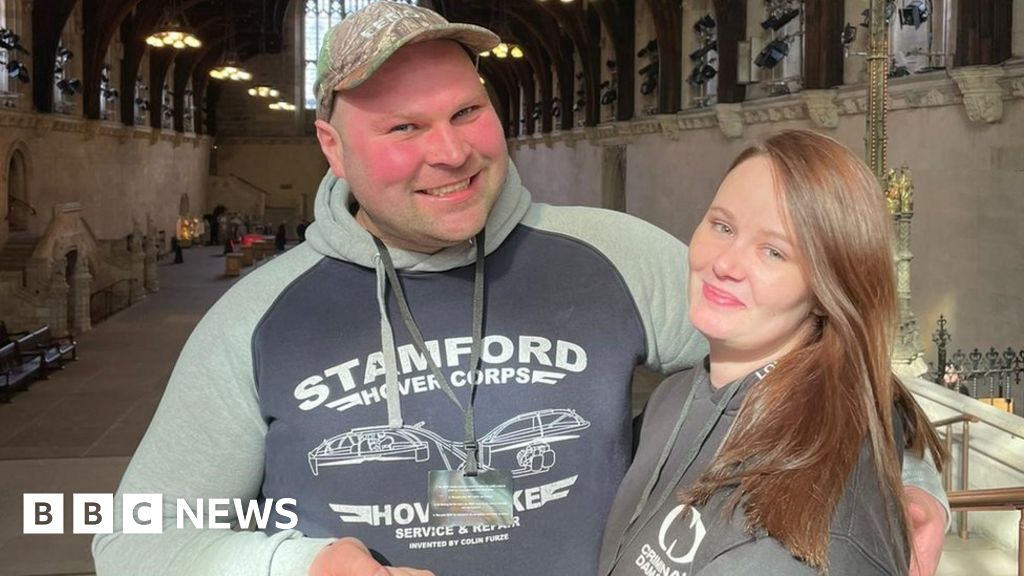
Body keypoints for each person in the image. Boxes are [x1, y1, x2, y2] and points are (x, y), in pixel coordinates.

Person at [92, 4, 947, 576]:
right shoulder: (256, 316)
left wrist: (908, 485)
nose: (450, 152)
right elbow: (132, 538)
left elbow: (818, 351)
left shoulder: (613, 258)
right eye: (403, 129)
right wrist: (299, 564)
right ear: (332, 145)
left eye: (466, 113)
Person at [599, 130, 946, 576]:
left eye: (774, 252)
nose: (725, 264)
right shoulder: (678, 394)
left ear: (828, 288)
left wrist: (918, 487)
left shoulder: (795, 540)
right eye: (722, 226)